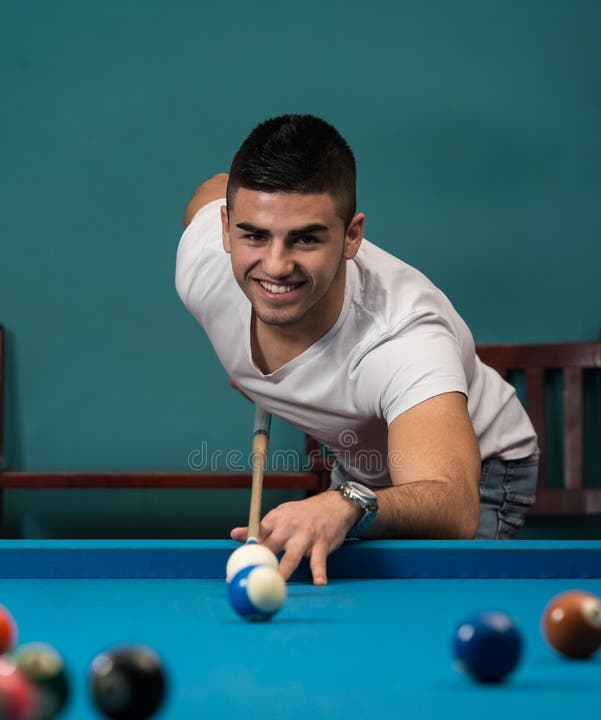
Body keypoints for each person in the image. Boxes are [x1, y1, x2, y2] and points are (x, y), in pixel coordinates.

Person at [175, 114, 538, 584]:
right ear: (225, 227)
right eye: (255, 234)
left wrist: (347, 501)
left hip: (473, 471)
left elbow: (453, 503)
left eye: (305, 237)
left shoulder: (402, 337)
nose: (276, 265)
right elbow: (214, 188)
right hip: (362, 456)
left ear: (351, 236)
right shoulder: (204, 266)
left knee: (421, 620)